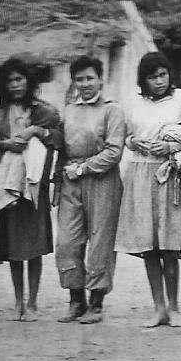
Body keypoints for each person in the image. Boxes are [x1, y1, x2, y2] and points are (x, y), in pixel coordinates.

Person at [114, 51, 181, 328]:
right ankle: (158, 307)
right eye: (152, 77)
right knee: (149, 246)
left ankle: (174, 307)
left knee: (169, 245)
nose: (159, 81)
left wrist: (171, 146)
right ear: (143, 80)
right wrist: (134, 141)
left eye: (162, 74)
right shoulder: (134, 102)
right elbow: (125, 136)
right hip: (139, 172)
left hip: (169, 173)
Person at [0, 57, 62, 322]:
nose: (15, 85)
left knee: (34, 245)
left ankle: (33, 302)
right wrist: (6, 145)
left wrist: (36, 131)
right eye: (10, 80)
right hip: (8, 185)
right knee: (15, 246)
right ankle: (17, 301)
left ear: (29, 81)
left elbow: (59, 138)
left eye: (20, 79)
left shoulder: (44, 111)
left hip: (34, 182)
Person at [55, 55, 126, 325]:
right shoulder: (69, 110)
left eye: (89, 78)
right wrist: (59, 179)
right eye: (79, 79)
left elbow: (114, 151)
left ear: (101, 80)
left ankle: (96, 303)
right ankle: (75, 300)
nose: (84, 84)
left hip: (102, 180)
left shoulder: (112, 110)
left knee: (100, 240)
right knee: (67, 242)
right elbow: (62, 149)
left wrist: (84, 168)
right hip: (71, 181)